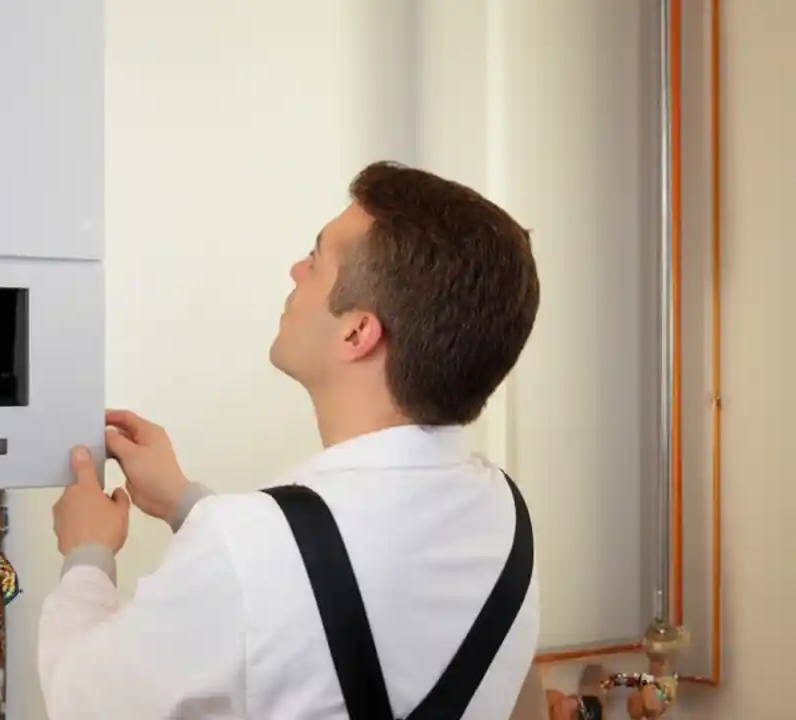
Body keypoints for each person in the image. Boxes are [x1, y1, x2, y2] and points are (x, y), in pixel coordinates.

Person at [38, 161, 542, 719]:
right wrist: (184, 502)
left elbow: (79, 700)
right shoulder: (504, 513)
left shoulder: (243, 547)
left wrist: (87, 553)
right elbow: (315, 581)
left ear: (357, 331)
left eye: (315, 258)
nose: (295, 270)